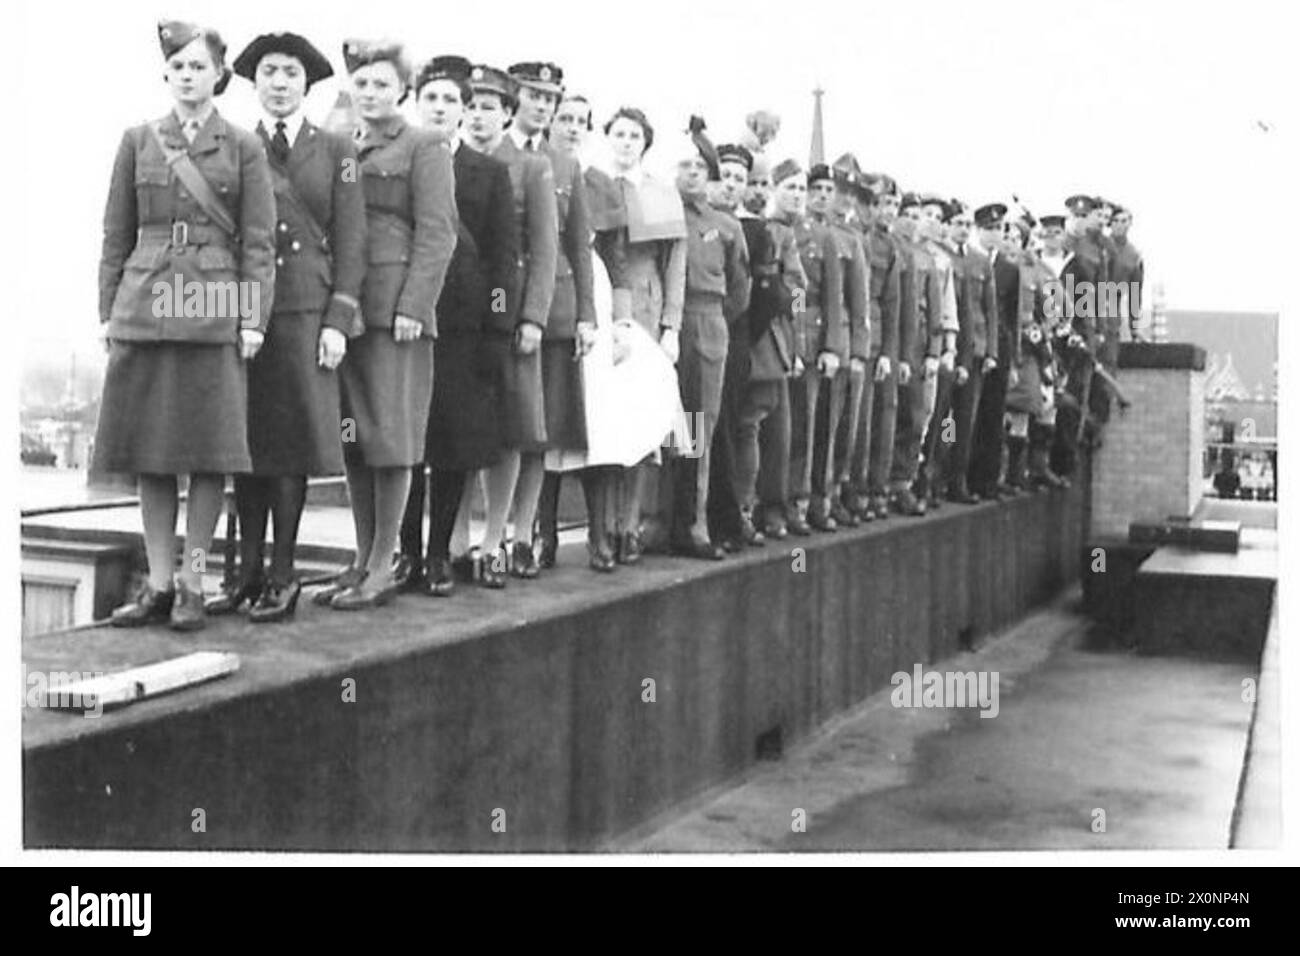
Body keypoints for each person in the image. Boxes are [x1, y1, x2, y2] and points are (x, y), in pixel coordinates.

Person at [95, 21, 275, 631]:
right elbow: (116, 234)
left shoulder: (243, 145)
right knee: (151, 455)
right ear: (166, 74)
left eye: (200, 67)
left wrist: (252, 319)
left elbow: (257, 240)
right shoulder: (137, 140)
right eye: (179, 67)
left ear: (219, 75)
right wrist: (106, 312)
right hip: (145, 307)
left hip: (211, 310)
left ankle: (195, 581)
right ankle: (161, 584)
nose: (189, 77)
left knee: (206, 455)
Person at [204, 31, 365, 624]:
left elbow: (352, 237)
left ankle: (283, 574)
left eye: (290, 73)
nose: (278, 82)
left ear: (307, 84)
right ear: (253, 81)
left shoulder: (339, 151)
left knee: (293, 442)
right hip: (250, 306)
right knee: (245, 443)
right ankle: (244, 573)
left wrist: (340, 319)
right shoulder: (237, 146)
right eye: (268, 72)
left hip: (305, 308)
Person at [312, 39, 457, 610]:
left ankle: (383, 563)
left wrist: (414, 307)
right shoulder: (342, 142)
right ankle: (359, 558)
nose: (369, 94)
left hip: (395, 310)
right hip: (346, 309)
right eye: (361, 84)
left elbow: (438, 232)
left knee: (392, 436)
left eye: (381, 84)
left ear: (402, 89)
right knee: (353, 437)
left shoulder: (424, 145)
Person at [398, 55, 520, 595]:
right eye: (432, 99)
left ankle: (439, 554)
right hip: (407, 319)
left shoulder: (488, 172)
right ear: (415, 104)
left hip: (464, 329)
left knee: (450, 443)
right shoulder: (397, 162)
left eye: (452, 100)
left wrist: (496, 326)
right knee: (406, 441)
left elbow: (501, 260)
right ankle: (403, 553)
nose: (442, 108)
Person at [452, 64, 555, 587]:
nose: (476, 116)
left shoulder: (531, 167)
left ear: (508, 113)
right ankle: (455, 541)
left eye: (488, 107)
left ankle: (497, 541)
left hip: (504, 310)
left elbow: (540, 250)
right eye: (469, 106)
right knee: (461, 425)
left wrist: (528, 316)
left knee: (511, 429)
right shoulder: (444, 158)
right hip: (455, 314)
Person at [504, 61, 598, 577]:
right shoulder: (494, 150)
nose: (541, 105)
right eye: (533, 95)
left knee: (541, 429)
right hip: (501, 303)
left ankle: (530, 534)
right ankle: (496, 534)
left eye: (549, 97)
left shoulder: (565, 165)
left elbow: (578, 245)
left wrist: (586, 314)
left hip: (553, 311)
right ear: (514, 96)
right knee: (506, 425)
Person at [589, 105, 688, 562]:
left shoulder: (662, 193)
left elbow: (676, 265)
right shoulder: (594, 182)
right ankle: (603, 528)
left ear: (645, 143)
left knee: (647, 423)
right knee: (608, 421)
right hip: (604, 301)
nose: (626, 142)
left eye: (634, 136)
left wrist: (672, 325)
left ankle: (632, 524)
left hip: (647, 309)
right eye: (619, 134)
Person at [657, 118, 750, 559]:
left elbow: (739, 290)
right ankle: (649, 522)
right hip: (658, 324)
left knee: (696, 426)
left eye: (700, 166)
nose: (691, 173)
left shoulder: (725, 226)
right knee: (658, 425)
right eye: (683, 165)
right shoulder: (656, 213)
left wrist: (710, 321)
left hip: (706, 323)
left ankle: (691, 524)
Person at [771, 160, 846, 534]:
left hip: (807, 341)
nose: (800, 196)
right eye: (793, 188)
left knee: (804, 427)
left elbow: (830, 296)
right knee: (771, 429)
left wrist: (830, 346)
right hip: (769, 339)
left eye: (803, 189)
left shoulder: (821, 237)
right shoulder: (769, 230)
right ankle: (765, 503)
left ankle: (798, 502)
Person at [734, 155, 805, 540]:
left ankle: (750, 507)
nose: (757, 190)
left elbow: (798, 291)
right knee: (694, 428)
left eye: (764, 184)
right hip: (712, 334)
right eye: (754, 183)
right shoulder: (718, 222)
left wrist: (792, 339)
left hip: (764, 342)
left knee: (756, 428)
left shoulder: (781, 235)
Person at [705, 143, 764, 550]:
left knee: (726, 429)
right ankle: (683, 513)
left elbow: (767, 292)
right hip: (694, 336)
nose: (731, 185)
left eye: (739, 179)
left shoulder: (752, 230)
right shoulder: (693, 219)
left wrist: (722, 323)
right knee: (688, 427)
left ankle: (726, 518)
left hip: (733, 336)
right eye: (724, 175)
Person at [808, 163, 868, 529]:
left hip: (839, 340)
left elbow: (856, 299)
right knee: (807, 426)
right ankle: (805, 497)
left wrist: (857, 350)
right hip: (804, 338)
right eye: (817, 189)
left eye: (830, 191)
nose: (823, 197)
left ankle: (827, 495)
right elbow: (798, 290)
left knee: (836, 425)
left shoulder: (848, 239)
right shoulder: (797, 233)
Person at [888, 191, 944, 516]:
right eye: (906, 213)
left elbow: (935, 308)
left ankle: (904, 481)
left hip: (917, 342)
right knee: (885, 414)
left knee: (916, 415)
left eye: (914, 214)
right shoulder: (887, 248)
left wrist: (935, 351)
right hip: (888, 338)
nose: (910, 220)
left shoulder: (926, 258)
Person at [944, 200, 998, 504]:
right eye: (958, 224)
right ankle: (937, 471)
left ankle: (958, 478)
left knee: (966, 419)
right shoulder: (941, 256)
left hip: (974, 349)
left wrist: (991, 350)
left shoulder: (980, 262)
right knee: (945, 419)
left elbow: (989, 310)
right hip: (949, 347)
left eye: (966, 225)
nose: (962, 229)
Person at [969, 200, 1024, 499]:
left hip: (999, 346)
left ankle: (987, 478)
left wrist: (1013, 360)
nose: (994, 234)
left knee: (993, 414)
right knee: (964, 416)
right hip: (973, 344)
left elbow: (1012, 317)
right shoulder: (970, 261)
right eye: (989, 229)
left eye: (998, 229)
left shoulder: (1009, 269)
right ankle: (959, 474)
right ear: (978, 231)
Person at [915, 194, 960, 511]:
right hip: (909, 342)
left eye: (936, 216)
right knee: (911, 415)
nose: (931, 221)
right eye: (925, 214)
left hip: (937, 347)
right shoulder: (908, 252)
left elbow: (949, 307)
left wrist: (950, 346)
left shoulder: (944, 261)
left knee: (940, 418)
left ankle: (929, 477)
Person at [1109, 203, 1144, 341]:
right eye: (1115, 221)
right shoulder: (1099, 248)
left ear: (1130, 223)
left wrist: (1135, 329)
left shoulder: (1134, 256)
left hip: (1113, 314)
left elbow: (1135, 296)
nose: (1119, 225)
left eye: (1123, 221)